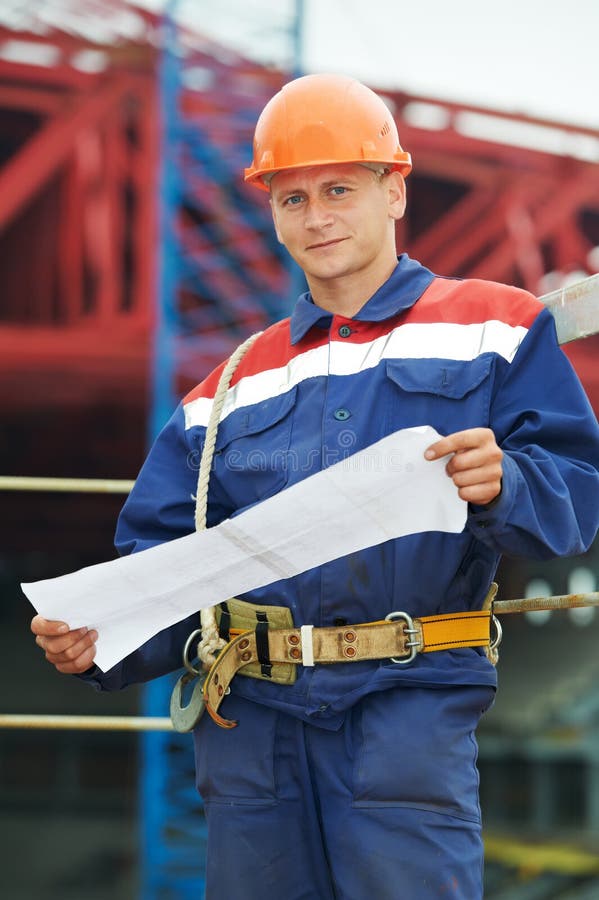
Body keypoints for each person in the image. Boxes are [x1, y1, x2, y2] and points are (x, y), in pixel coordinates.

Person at [31, 73, 599, 899]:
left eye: (338, 188)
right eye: (290, 199)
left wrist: (507, 483)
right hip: (252, 727)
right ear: (269, 211)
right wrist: (99, 641)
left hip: (406, 712)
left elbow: (575, 498)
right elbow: (164, 559)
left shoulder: (496, 327)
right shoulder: (225, 387)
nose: (317, 217)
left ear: (393, 189)